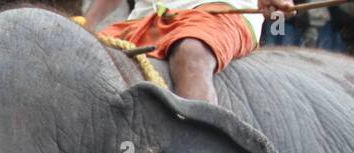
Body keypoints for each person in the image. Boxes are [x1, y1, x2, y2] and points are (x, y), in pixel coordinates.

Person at [83, 0, 295, 104]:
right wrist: (86, 23)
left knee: (192, 52)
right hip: (146, 19)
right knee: (84, 60)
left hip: (219, 12)